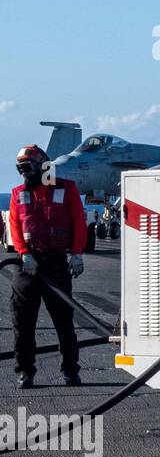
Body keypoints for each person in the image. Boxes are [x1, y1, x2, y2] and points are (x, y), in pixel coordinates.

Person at [8, 145, 87, 388]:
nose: (23, 174)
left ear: (42, 165)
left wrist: (76, 254)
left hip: (55, 263)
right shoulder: (18, 193)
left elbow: (78, 221)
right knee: (22, 321)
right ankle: (25, 371)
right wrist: (23, 254)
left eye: (27, 168)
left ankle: (70, 371)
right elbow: (15, 226)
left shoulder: (67, 188)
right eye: (20, 169)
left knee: (64, 320)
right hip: (27, 264)